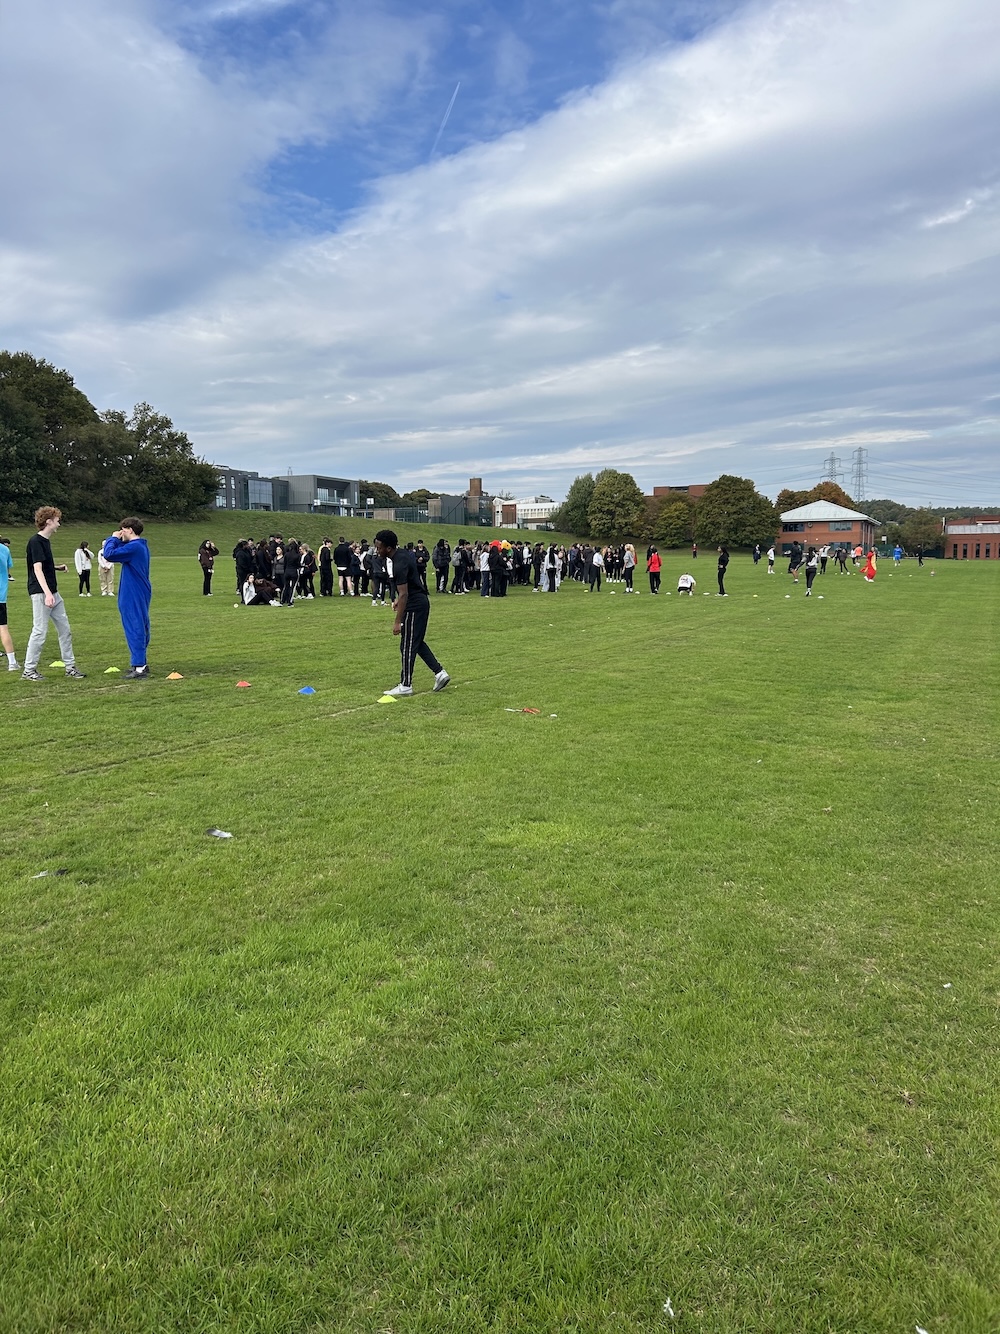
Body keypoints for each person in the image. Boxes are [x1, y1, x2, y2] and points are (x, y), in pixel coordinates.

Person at [375, 529, 449, 697]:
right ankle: (440, 673)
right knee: (416, 642)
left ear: (388, 548)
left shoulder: (398, 562)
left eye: (379, 547)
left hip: (414, 606)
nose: (377, 550)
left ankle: (406, 685)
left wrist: (397, 621)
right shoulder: (402, 555)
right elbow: (408, 586)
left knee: (407, 646)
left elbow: (404, 593)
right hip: (419, 602)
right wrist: (398, 601)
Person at [21, 506, 85, 681]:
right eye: (57, 520)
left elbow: (43, 565)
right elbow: (37, 569)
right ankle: (29, 670)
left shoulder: (45, 541)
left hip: (53, 593)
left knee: (65, 630)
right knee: (40, 631)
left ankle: (70, 667)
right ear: (48, 521)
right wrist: (48, 594)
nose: (59, 523)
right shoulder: (35, 541)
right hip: (41, 593)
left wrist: (57, 567)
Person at [102, 518, 152, 679]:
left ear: (130, 530)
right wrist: (116, 540)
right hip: (138, 590)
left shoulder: (135, 547)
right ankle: (140, 662)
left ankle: (139, 667)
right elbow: (118, 550)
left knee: (134, 625)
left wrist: (113, 538)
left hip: (133, 591)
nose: (121, 532)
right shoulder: (138, 546)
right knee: (139, 624)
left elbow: (109, 554)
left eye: (122, 530)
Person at [0, 536, 19, 671]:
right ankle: (12, 662)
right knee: (3, 628)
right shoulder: (5, 550)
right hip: (1, 596)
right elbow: (7, 571)